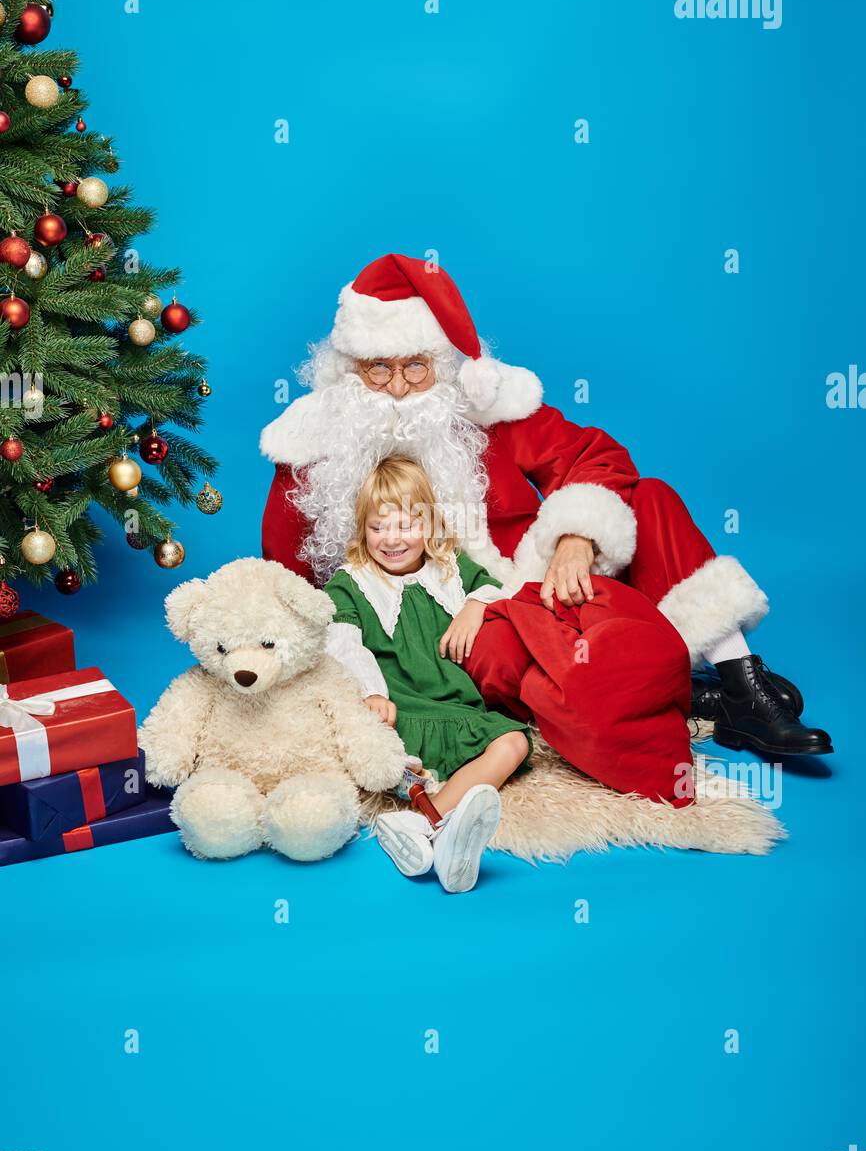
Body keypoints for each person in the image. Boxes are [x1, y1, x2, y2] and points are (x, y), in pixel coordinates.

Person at [262, 253, 832, 766]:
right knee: (508, 650)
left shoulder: (488, 410)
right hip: (449, 634)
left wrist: (576, 538)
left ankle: (737, 680)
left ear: (442, 363)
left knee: (651, 498)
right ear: (349, 370)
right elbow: (282, 575)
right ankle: (670, 689)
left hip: (522, 580)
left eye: (416, 367)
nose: (400, 387)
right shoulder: (314, 447)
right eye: (378, 369)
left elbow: (597, 456)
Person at [323, 456, 531, 894]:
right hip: (401, 712)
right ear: (362, 529)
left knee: (514, 741)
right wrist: (372, 694)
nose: (392, 540)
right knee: (400, 762)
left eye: (406, 526)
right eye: (379, 527)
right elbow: (342, 643)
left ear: (430, 525)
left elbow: (497, 586)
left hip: (458, 710)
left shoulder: (449, 570)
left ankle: (421, 823)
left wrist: (475, 606)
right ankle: (439, 826)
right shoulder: (352, 581)